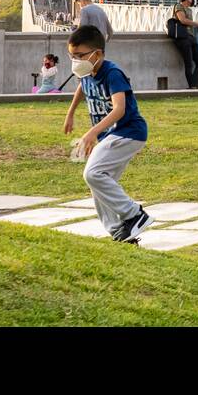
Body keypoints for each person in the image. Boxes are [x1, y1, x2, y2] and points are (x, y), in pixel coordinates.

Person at [62, 24, 153, 243]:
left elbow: (119, 108)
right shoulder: (86, 71)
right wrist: (71, 112)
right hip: (111, 135)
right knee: (101, 182)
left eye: (80, 55)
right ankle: (121, 232)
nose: (75, 60)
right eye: (71, 56)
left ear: (98, 54)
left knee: (92, 174)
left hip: (128, 131)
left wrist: (92, 133)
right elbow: (82, 87)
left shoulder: (112, 73)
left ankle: (134, 214)